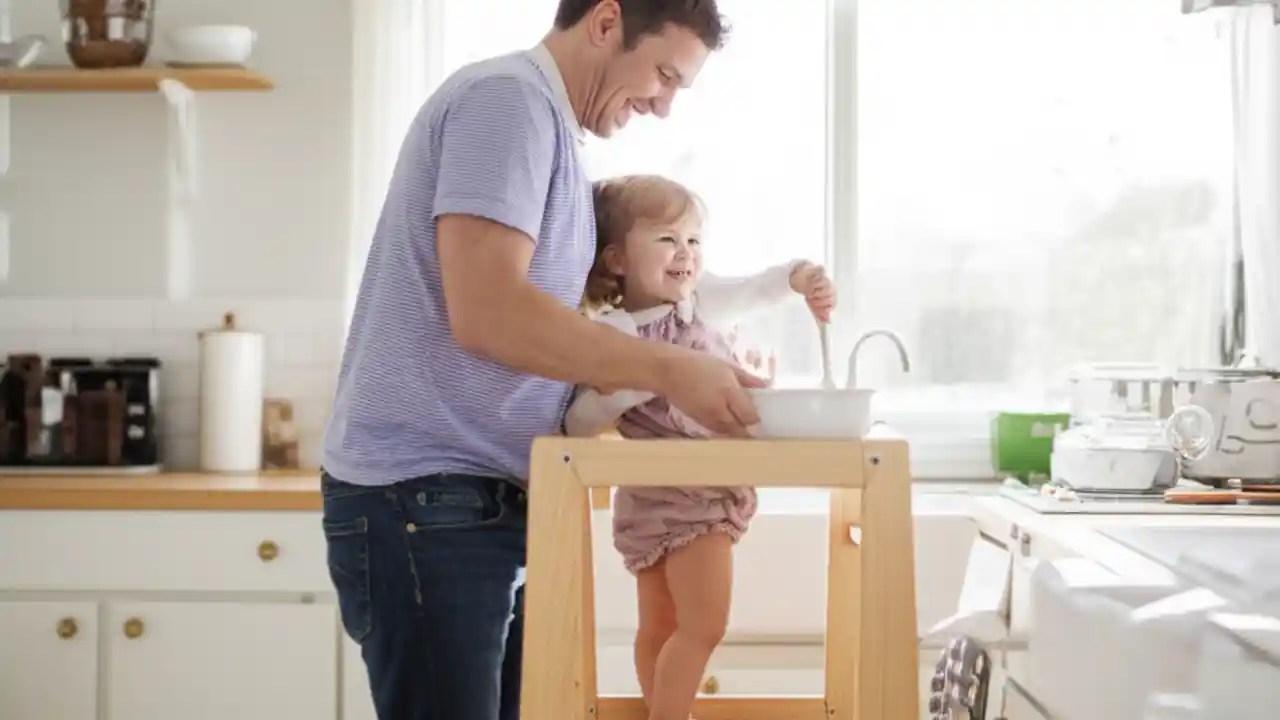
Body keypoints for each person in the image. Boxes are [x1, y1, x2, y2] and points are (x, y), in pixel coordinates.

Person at [319, 2, 755, 719]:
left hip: (474, 499)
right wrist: (672, 371)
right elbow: (488, 310)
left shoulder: (550, 131)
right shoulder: (507, 104)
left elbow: (545, 329)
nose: (664, 105)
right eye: (663, 75)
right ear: (607, 22)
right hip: (426, 499)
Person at [563, 174, 836, 720]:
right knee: (700, 626)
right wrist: (652, 379)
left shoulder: (700, 303)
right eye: (666, 239)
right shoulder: (616, 332)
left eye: (693, 240)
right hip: (676, 502)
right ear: (616, 260)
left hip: (704, 488)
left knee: (667, 628)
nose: (685, 253)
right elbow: (579, 420)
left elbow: (754, 290)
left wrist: (797, 277)